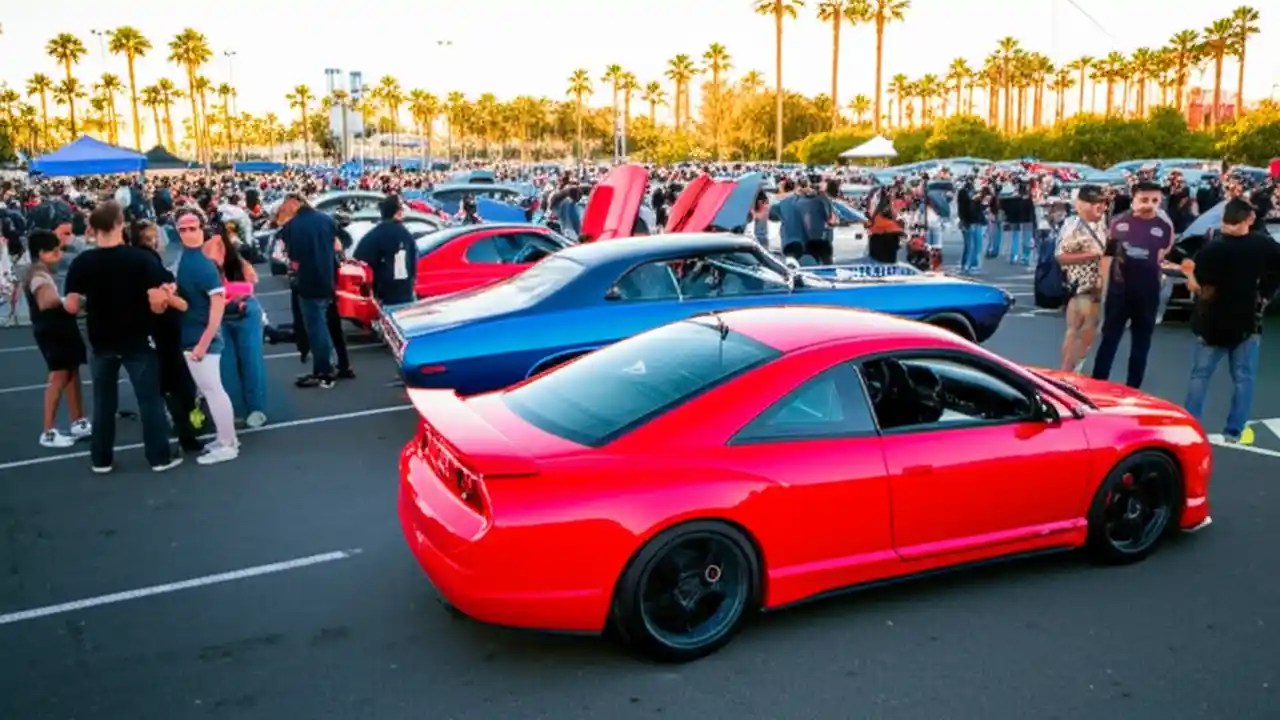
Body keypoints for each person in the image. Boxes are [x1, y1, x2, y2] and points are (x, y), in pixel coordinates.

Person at [63, 201, 182, 473]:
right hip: (137, 338)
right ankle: (159, 457)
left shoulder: (83, 262)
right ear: (120, 225)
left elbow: (71, 305)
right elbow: (167, 286)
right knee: (149, 400)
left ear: (93, 228)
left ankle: (101, 459)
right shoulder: (139, 259)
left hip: (101, 339)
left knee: (104, 402)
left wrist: (88, 301)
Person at [1182, 198, 1280, 445]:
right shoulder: (1261, 245)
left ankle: (1191, 426)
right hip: (1247, 321)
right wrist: (1266, 293)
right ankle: (1234, 430)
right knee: (1244, 378)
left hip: (1212, 322)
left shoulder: (1211, 250)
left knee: (1200, 376)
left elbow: (1201, 288)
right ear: (1249, 219)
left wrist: (1188, 273)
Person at [129, 221, 205, 455]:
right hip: (164, 332)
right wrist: (180, 301)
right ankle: (187, 432)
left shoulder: (136, 261)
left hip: (149, 332)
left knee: (160, 386)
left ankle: (183, 427)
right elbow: (161, 298)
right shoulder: (150, 263)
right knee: (178, 385)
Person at [1090, 181, 1174, 389]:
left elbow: (1163, 253)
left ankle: (1132, 389)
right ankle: (1096, 386)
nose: (1149, 205)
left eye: (1155, 201)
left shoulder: (1164, 226)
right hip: (1119, 292)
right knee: (1109, 341)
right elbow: (1107, 256)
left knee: (1141, 344)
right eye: (1144, 200)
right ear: (1133, 199)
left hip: (1147, 293)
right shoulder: (1118, 223)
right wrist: (1101, 285)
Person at [173, 209, 239, 464]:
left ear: (202, 229)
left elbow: (218, 308)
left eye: (193, 228)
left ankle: (228, 443)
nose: (189, 233)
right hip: (193, 336)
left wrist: (203, 343)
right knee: (210, 390)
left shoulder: (203, 266)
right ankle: (225, 438)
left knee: (214, 390)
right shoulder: (188, 259)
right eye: (183, 229)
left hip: (201, 339)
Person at [23, 229, 90, 448]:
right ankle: (48, 431)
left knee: (71, 373)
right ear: (41, 252)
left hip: (59, 329)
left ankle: (77, 421)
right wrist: (69, 300)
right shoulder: (38, 275)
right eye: (54, 252)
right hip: (53, 331)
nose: (59, 255)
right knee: (59, 378)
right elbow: (46, 301)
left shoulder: (39, 271)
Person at [203, 221, 268, 428]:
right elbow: (251, 282)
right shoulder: (227, 258)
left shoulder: (217, 257)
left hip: (231, 312)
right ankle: (250, 409)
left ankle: (245, 409)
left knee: (236, 362)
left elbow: (250, 281)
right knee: (241, 362)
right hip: (238, 310)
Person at [277, 193, 341, 388]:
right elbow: (336, 246)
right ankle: (331, 363)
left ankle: (323, 370)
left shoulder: (292, 227)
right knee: (323, 323)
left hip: (308, 281)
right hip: (327, 278)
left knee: (316, 327)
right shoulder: (326, 220)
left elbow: (292, 256)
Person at [1055, 185, 1108, 372]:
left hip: (1099, 287)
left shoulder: (1102, 223)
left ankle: (1074, 370)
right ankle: (1066, 373)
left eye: (1103, 203)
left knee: (1089, 332)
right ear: (1082, 205)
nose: (1101, 207)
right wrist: (1091, 256)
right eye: (1096, 204)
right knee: (1076, 331)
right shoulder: (1072, 225)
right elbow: (1060, 256)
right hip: (1080, 287)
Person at [353, 194, 417, 305]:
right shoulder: (406, 235)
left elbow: (359, 261)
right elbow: (413, 264)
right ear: (398, 212)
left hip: (383, 295)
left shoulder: (374, 236)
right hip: (404, 293)